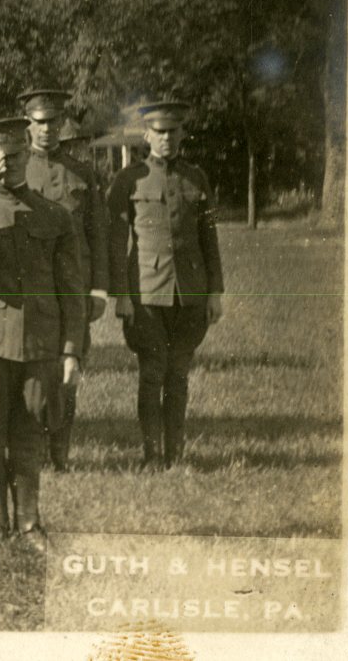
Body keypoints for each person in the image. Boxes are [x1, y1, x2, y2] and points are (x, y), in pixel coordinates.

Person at [0, 115, 83, 551]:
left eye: (18, 155)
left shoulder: (54, 214)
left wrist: (72, 350)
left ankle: (29, 525)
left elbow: (71, 291)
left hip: (37, 337)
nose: (11, 165)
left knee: (29, 434)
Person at [102, 99, 225, 470]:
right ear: (146, 135)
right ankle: (152, 455)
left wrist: (215, 292)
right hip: (146, 292)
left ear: (182, 133)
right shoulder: (128, 180)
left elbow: (209, 238)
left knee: (179, 375)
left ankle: (176, 454)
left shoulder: (196, 178)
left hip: (190, 291)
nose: (166, 138)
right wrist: (121, 295)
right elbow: (114, 242)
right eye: (159, 131)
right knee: (152, 372)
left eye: (173, 131)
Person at [15, 88, 108, 470]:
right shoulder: (16, 168)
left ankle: (61, 454)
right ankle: (33, 451)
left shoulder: (82, 173)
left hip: (74, 288)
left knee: (68, 370)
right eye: (39, 123)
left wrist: (100, 288)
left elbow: (98, 234)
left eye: (53, 122)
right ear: (28, 126)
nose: (47, 130)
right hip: (31, 289)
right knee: (34, 371)